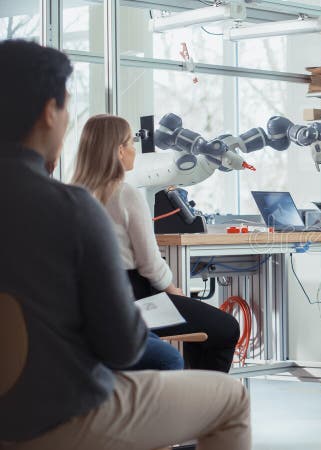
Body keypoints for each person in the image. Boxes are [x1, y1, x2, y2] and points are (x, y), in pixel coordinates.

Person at [0, 39, 250, 450]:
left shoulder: (70, 196)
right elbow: (121, 344)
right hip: (57, 414)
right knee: (231, 400)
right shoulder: (73, 208)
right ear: (49, 112)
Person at [72, 114, 240, 373]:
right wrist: (174, 290)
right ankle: (206, 395)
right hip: (135, 303)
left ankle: (191, 390)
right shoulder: (125, 193)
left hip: (91, 306)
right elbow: (150, 263)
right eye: (131, 143)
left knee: (197, 323)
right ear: (119, 151)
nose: (134, 150)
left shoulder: (72, 195)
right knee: (227, 328)